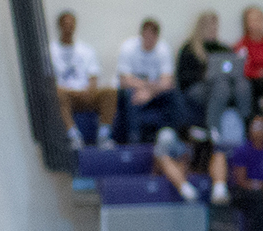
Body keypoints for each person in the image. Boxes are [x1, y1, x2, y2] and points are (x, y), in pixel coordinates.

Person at [175, 10, 247, 140]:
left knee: (242, 85)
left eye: (215, 27)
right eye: (210, 27)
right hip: (197, 88)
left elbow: (231, 69)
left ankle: (246, 125)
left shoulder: (222, 48)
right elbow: (184, 78)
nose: (214, 30)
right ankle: (213, 129)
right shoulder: (189, 49)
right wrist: (204, 75)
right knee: (221, 86)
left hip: (223, 85)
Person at [51, 10, 114, 148]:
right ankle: (73, 136)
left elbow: (93, 77)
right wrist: (71, 92)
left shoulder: (86, 50)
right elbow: (49, 81)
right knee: (58, 94)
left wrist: (89, 90)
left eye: (71, 24)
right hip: (66, 94)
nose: (69, 27)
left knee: (110, 92)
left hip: (85, 94)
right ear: (60, 26)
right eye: (66, 24)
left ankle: (104, 135)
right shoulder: (51, 51)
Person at [115, 18, 185, 143]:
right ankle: (134, 139)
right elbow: (124, 80)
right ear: (141, 35)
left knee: (173, 94)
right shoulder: (128, 48)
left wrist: (150, 92)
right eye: (146, 35)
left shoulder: (163, 49)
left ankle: (173, 136)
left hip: (154, 93)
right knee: (130, 95)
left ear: (157, 37)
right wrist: (146, 88)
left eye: (152, 36)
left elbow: (167, 82)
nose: (148, 40)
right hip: (134, 92)